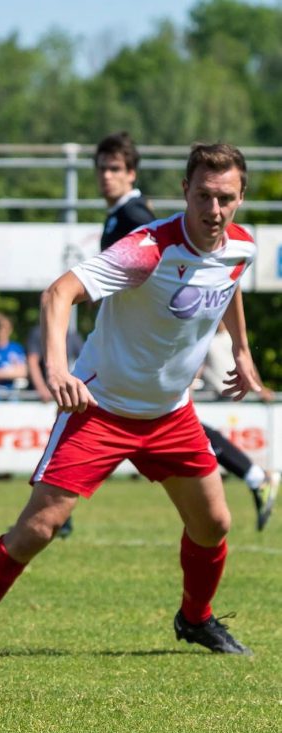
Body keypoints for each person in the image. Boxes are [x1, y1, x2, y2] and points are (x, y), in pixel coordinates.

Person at [0, 143, 260, 665]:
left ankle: (195, 619)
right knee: (39, 528)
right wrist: (59, 369)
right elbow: (58, 293)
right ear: (184, 192)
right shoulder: (148, 249)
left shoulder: (241, 247)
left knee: (214, 523)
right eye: (203, 196)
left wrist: (241, 349)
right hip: (99, 409)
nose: (213, 210)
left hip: (170, 414)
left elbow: (229, 281)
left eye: (225, 198)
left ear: (240, 198)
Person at [96, 131, 277, 530]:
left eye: (115, 169)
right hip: (136, 350)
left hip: (164, 350)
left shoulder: (136, 218)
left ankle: (253, 476)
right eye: (101, 169)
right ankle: (253, 476)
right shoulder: (118, 216)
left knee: (177, 426)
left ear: (132, 173)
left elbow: (206, 270)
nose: (107, 177)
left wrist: (234, 347)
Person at [200, 323, 279, 530]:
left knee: (201, 436)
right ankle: (256, 477)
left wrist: (258, 388)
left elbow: (245, 359)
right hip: (213, 399)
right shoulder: (203, 334)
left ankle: (257, 478)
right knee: (200, 436)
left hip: (230, 400)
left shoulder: (225, 336)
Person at [25, 321, 84, 537]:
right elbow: (32, 361)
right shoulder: (40, 332)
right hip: (51, 403)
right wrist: (43, 388)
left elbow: (85, 362)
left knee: (58, 461)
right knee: (51, 462)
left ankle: (59, 519)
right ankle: (54, 519)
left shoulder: (74, 335)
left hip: (69, 405)